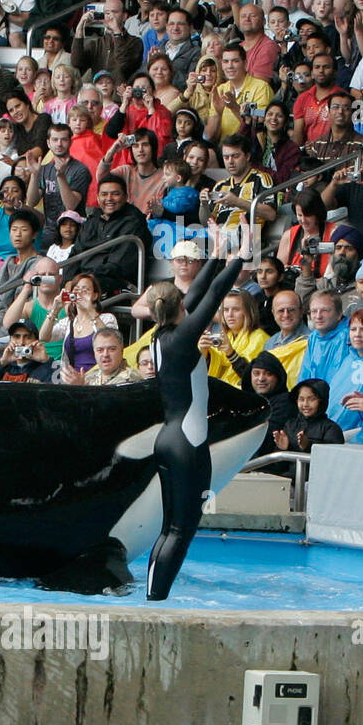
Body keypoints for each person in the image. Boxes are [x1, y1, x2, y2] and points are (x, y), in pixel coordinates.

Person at [145, 236, 255, 601]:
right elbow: (215, 294)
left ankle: (151, 597)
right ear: (180, 307)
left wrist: (220, 250)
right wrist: (239, 257)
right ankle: (157, 601)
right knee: (182, 529)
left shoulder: (160, 338)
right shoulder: (183, 337)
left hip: (166, 439)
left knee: (168, 529)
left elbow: (200, 293)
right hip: (189, 443)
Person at [273, 378, 345, 453]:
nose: (305, 404)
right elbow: (277, 463)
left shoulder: (331, 429)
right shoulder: (290, 425)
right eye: (301, 399)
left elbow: (333, 459)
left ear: (322, 401)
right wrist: (282, 448)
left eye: (311, 399)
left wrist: (308, 446)